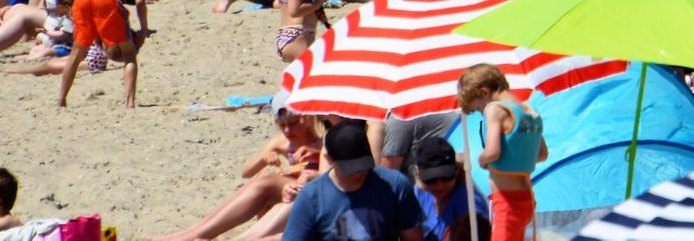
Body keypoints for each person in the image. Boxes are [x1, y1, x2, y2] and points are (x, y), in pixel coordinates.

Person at [154, 109, 322, 241]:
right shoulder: (282, 142)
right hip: (290, 192)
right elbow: (246, 172)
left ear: (306, 119)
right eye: (282, 125)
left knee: (266, 180)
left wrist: (314, 156)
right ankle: (192, 232)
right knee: (261, 178)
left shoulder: (322, 142)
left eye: (292, 123)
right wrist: (264, 159)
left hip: (302, 192)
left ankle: (196, 235)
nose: (287, 130)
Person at [282, 119, 419, 241]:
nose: (359, 173)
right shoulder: (311, 198)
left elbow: (412, 236)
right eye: (350, 168)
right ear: (329, 159)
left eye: (363, 165)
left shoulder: (394, 185)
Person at [59, 0, 158, 109]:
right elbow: (140, 2)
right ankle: (129, 102)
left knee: (76, 55)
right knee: (129, 54)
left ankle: (61, 100)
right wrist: (144, 31)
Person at [458, 63, 546, 241]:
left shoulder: (494, 109)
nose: (481, 112)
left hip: (506, 200)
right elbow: (542, 154)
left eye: (477, 108)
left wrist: (481, 160)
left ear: (484, 92)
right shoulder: (531, 112)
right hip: (527, 199)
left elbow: (492, 152)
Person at [410, 138, 488, 241]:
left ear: (456, 171)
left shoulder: (469, 202)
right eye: (431, 179)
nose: (440, 185)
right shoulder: (419, 193)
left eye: (446, 177)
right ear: (418, 174)